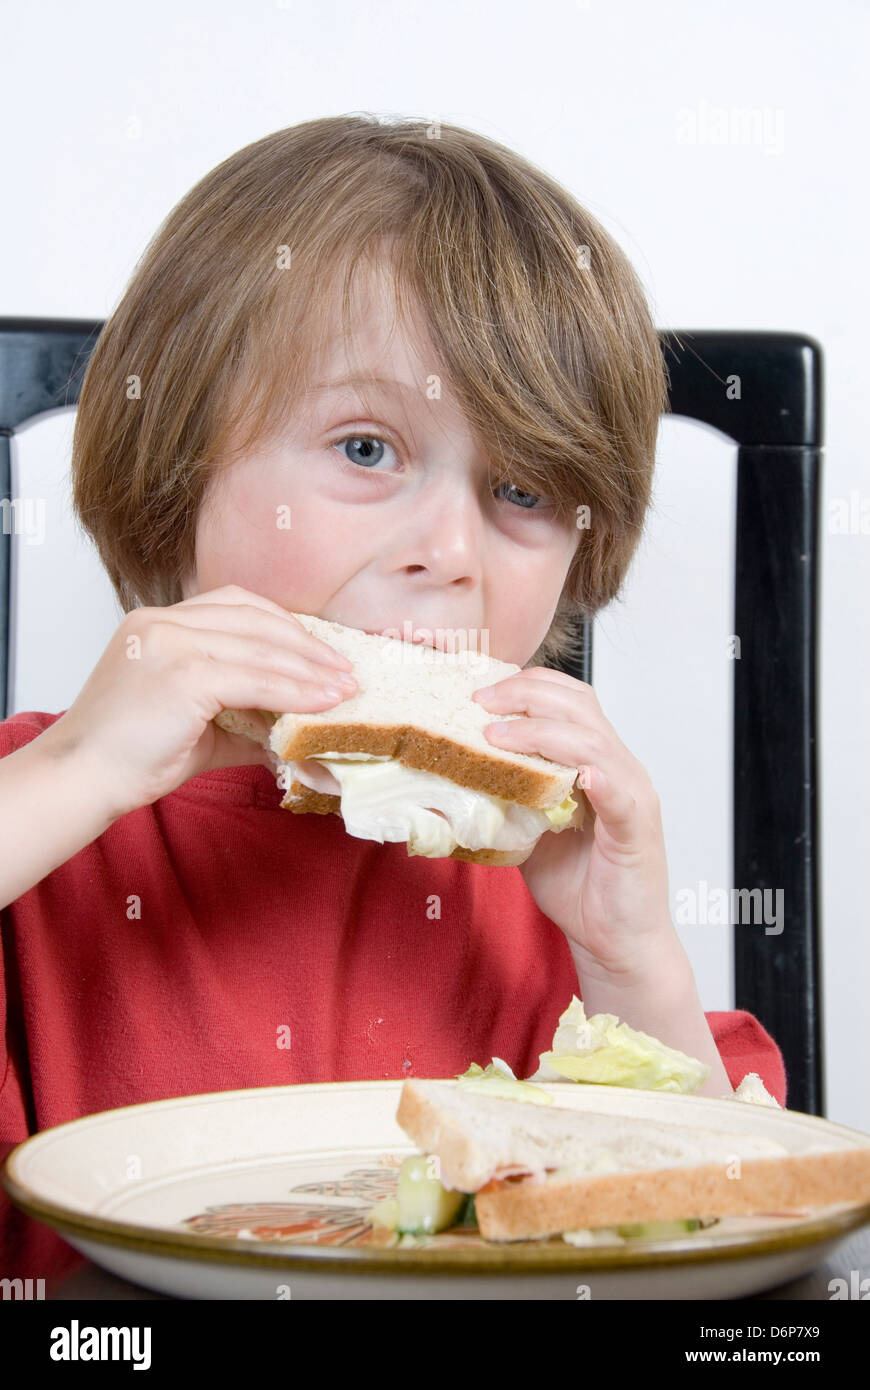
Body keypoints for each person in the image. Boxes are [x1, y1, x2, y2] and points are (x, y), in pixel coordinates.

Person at [0, 114, 785, 1286]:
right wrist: (74, 778)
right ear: (176, 477)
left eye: (522, 486)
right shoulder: (42, 803)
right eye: (366, 449)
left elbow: (733, 1232)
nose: (452, 548)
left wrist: (632, 962)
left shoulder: (548, 888)